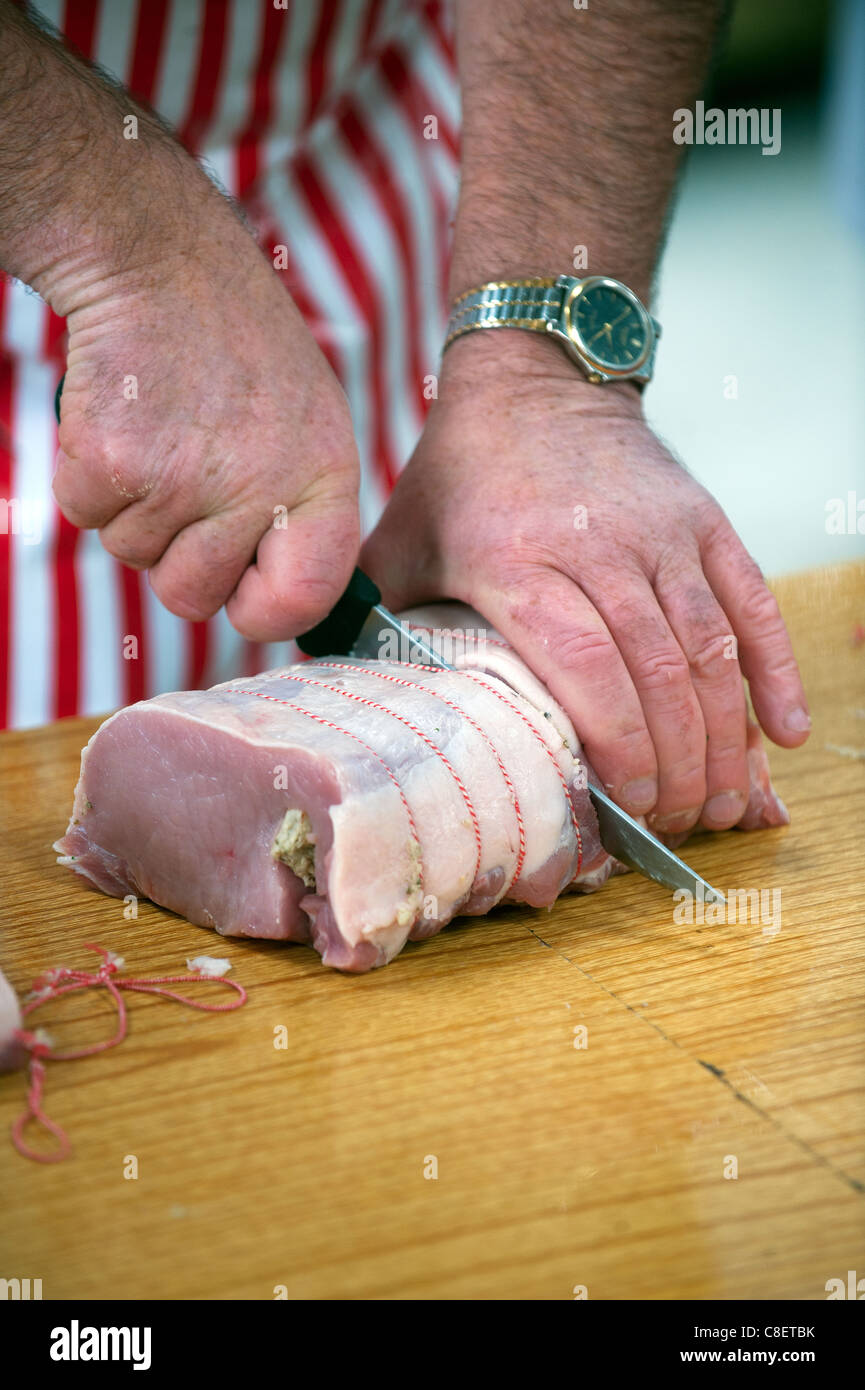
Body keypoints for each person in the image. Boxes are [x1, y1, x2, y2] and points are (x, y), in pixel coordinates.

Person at [0, 0, 810, 840]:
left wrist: (539, 369)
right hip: (34, 186)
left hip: (372, 169)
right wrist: (126, 253)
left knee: (366, 754)